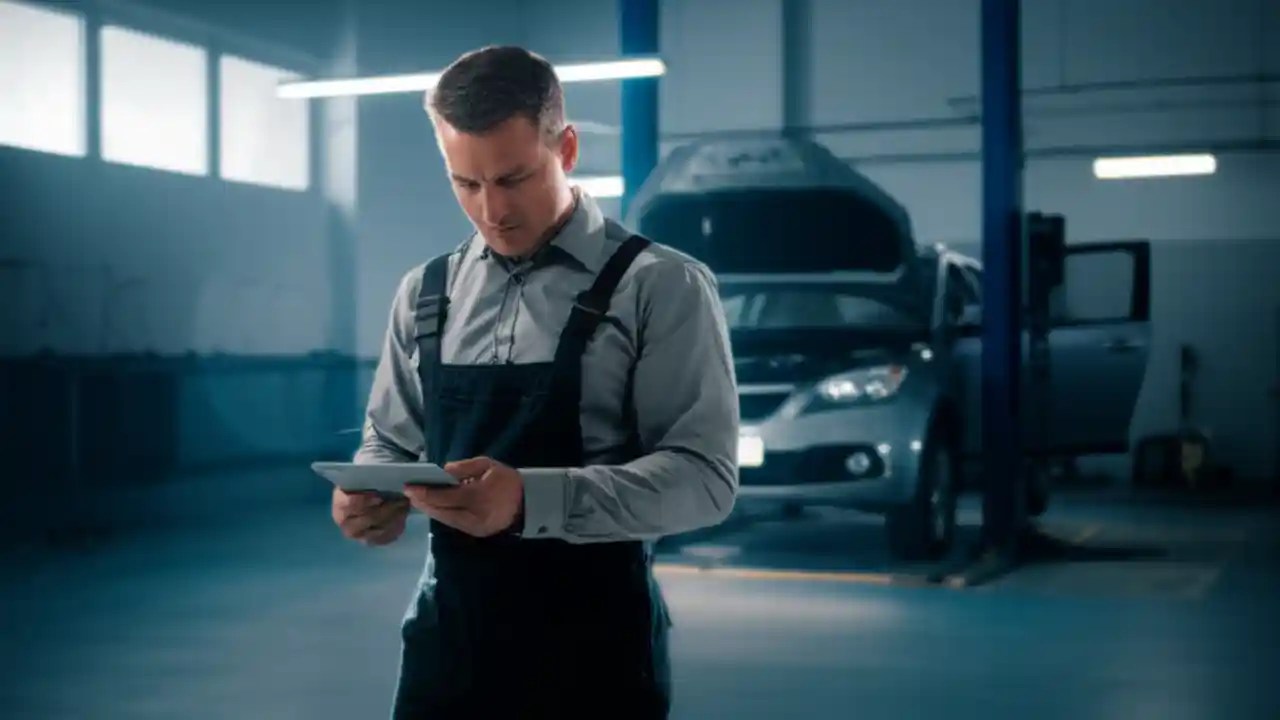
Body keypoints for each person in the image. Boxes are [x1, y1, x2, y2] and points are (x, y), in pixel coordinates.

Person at [330, 45, 740, 718]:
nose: (492, 210)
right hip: (447, 646)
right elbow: (390, 441)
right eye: (466, 183)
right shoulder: (424, 292)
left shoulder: (660, 287)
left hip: (596, 655)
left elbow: (705, 481)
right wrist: (369, 493)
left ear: (567, 148)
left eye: (514, 178)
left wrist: (530, 499)